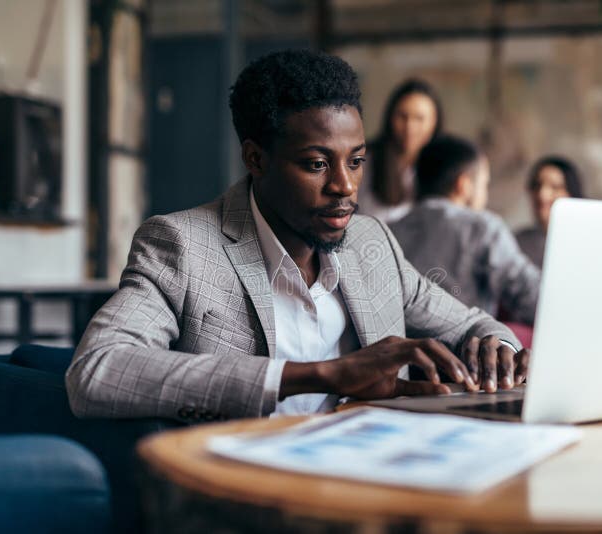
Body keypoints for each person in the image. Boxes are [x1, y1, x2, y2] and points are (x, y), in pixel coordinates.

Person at [66, 50, 526, 423]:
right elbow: (96, 371)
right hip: (249, 490)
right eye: (317, 164)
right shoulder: (182, 246)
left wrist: (497, 350)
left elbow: (473, 325)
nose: (344, 186)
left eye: (356, 161)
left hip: (378, 472)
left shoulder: (371, 242)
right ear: (256, 159)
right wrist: (324, 375)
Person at [389, 135, 540, 325]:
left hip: (394, 350)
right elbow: (532, 297)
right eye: (484, 184)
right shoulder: (483, 228)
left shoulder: (387, 231)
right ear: (464, 185)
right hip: (462, 350)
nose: (485, 193)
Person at [357, 79, 443, 223]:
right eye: (403, 116)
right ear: (390, 117)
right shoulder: (366, 161)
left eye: (419, 118)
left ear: (434, 121)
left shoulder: (444, 167)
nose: (410, 126)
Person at [515, 156, 584, 269]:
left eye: (555, 187)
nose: (543, 195)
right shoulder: (517, 243)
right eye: (537, 185)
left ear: (572, 193)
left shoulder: (585, 242)